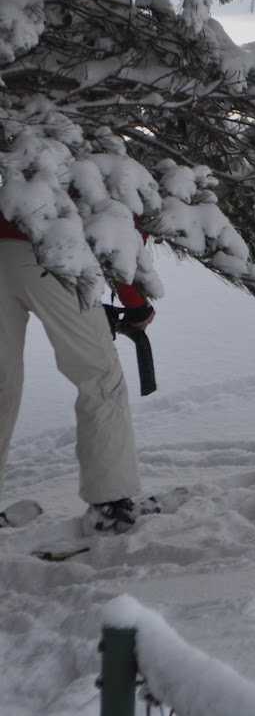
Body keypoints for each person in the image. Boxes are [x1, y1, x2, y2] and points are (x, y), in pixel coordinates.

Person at [0, 214, 156, 534]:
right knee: (99, 377)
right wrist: (137, 303)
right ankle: (110, 506)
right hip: (54, 250)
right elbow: (119, 231)